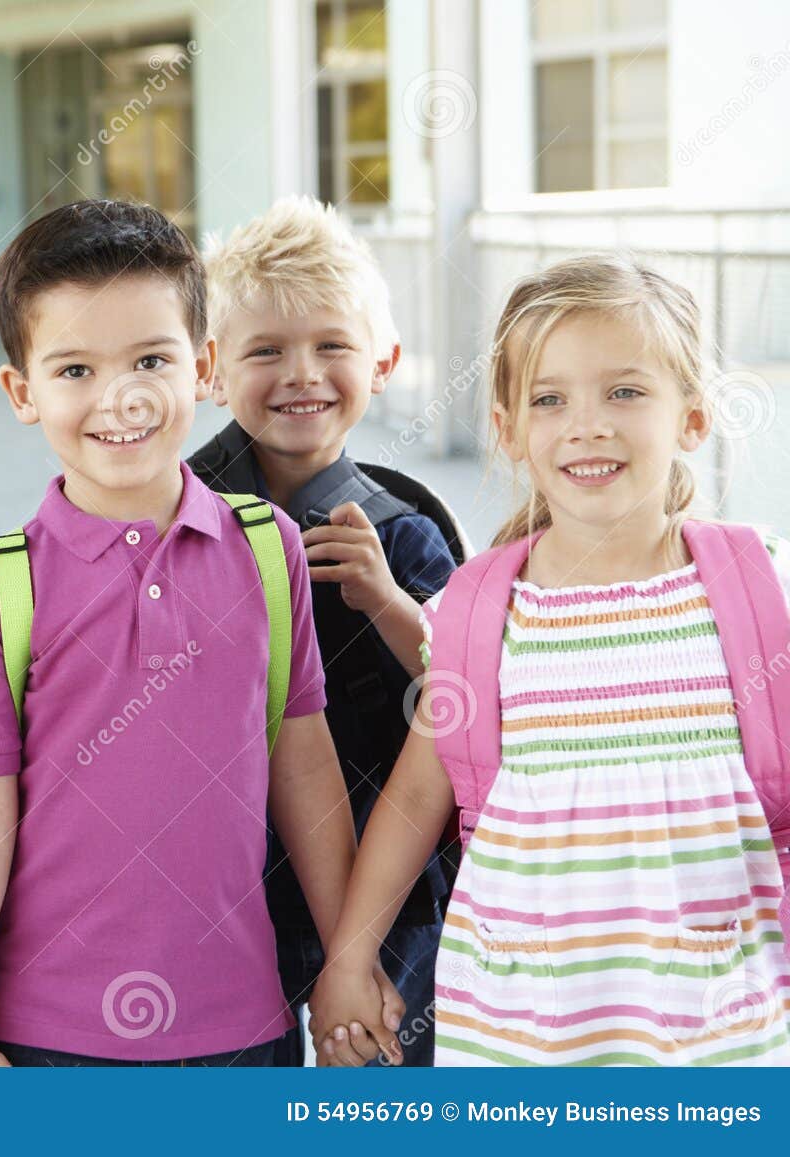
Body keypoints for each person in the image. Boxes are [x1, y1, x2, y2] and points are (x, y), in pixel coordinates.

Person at [0, 200, 397, 1066]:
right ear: (22, 392)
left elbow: (303, 763)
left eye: (151, 359)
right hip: (44, 1034)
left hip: (244, 1025)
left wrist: (348, 958)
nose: (122, 397)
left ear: (203, 366)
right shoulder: (2, 585)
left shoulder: (269, 550)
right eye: (75, 369)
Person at [309, 255, 790, 1066]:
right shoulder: (479, 614)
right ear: (508, 430)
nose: (587, 424)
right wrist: (349, 960)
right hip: (523, 1036)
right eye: (549, 399)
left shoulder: (759, 588)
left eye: (625, 392)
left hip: (726, 1035)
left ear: (693, 418)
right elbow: (417, 796)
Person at [188, 195, 461, 1065]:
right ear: (210, 369)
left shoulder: (404, 527)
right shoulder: (178, 515)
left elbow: (459, 687)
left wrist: (385, 599)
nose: (301, 374)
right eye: (265, 350)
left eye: (331, 346)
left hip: (390, 875)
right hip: (229, 875)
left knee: (379, 1061)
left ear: (383, 363)